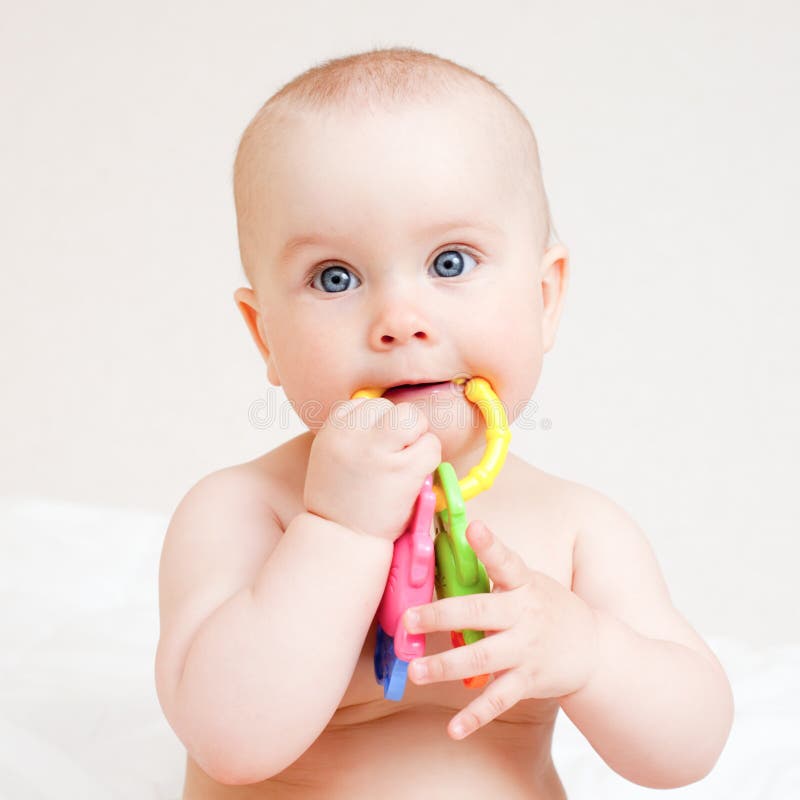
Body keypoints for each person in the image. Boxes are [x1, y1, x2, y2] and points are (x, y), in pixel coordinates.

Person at [154, 46, 734, 799]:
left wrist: (590, 650)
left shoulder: (578, 528)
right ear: (265, 335)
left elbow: (688, 748)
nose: (400, 320)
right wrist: (338, 535)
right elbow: (230, 739)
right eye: (336, 277)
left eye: (451, 262)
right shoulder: (242, 512)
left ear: (546, 296)